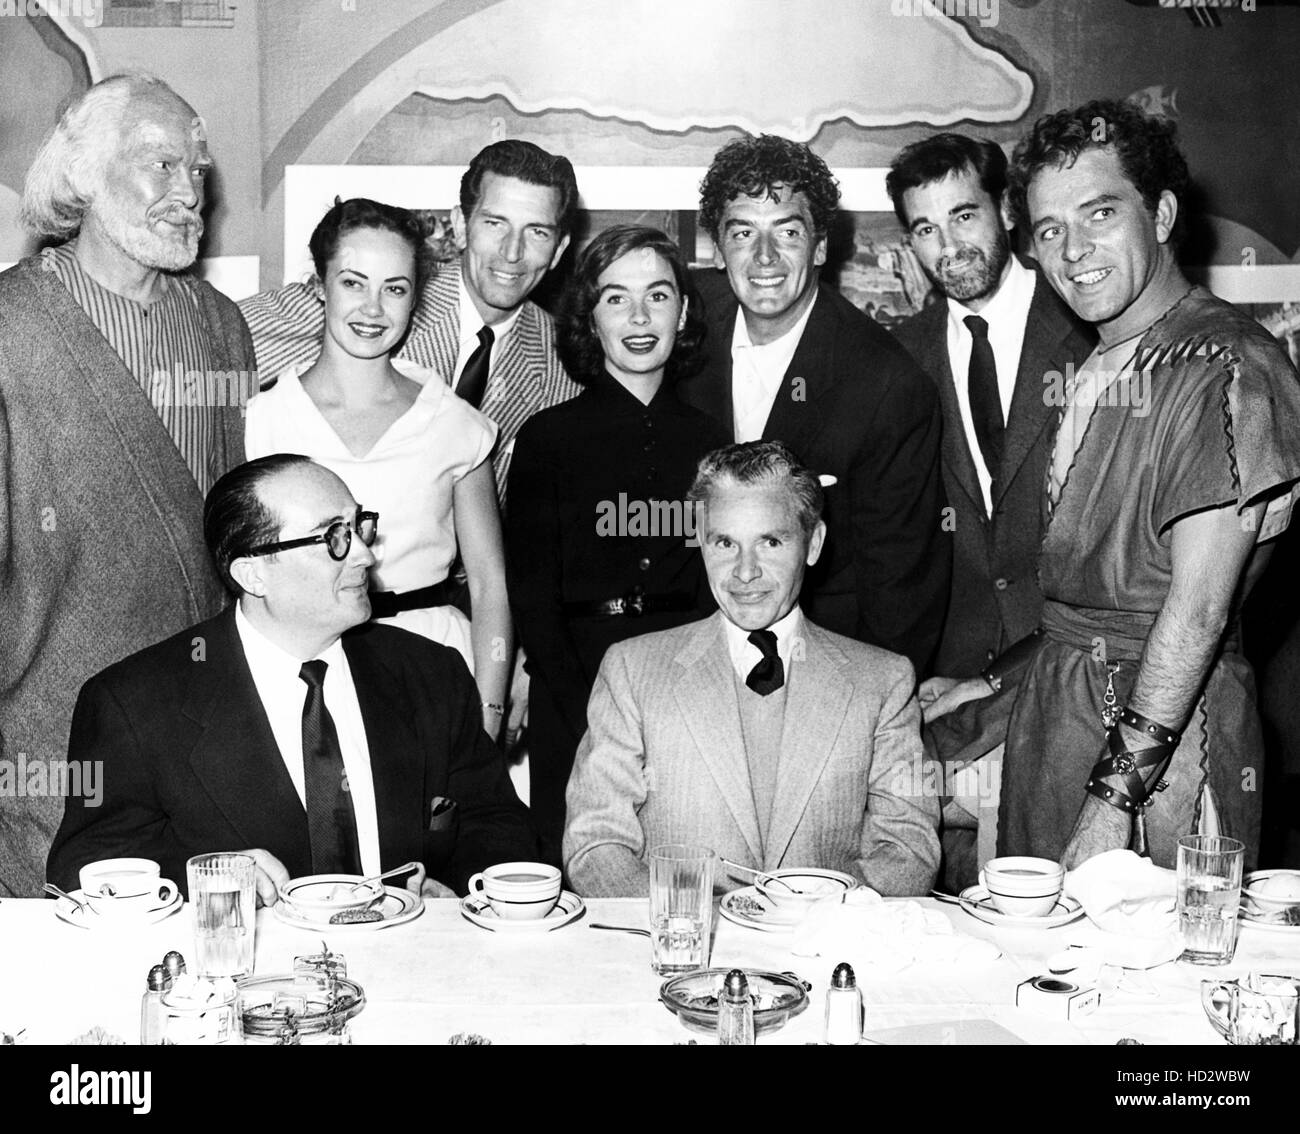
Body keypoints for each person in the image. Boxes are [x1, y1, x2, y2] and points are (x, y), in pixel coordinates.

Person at [929, 100, 1300, 870]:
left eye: (1100, 213)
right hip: (1058, 728)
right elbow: (1088, 602)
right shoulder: (1099, 362)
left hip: (1162, 760)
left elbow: (1194, 615)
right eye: (1050, 230)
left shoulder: (1226, 367)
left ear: (1162, 213)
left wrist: (1109, 807)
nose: (1074, 250)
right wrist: (988, 681)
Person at [47, 455, 538, 902]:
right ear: (252, 573)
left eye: (360, 527)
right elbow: (84, 871)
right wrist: (210, 877)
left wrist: (457, 891)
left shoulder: (430, 672)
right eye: (334, 538)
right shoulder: (135, 703)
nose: (366, 556)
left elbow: (497, 826)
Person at [0, 73, 256, 898]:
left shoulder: (220, 326)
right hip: (48, 743)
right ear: (81, 175)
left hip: (203, 735)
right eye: (161, 166)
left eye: (198, 171)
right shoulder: (11, 329)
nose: (189, 194)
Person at [563, 441, 940, 898]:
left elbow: (908, 851)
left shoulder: (882, 682)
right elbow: (595, 845)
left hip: (822, 957)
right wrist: (690, 922)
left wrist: (807, 921)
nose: (745, 572)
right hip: (682, 955)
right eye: (725, 542)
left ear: (814, 543)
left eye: (771, 541)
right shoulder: (632, 671)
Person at [678, 135, 949, 678]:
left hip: (820, 669)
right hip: (687, 656)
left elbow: (900, 592)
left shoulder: (886, 385)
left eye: (788, 232)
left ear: (821, 247)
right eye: (743, 233)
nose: (764, 258)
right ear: (718, 246)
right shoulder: (682, 326)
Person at [245, 198, 511, 737]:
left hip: (433, 663)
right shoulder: (262, 420)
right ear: (319, 285)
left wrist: (487, 714)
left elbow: (489, 586)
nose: (373, 308)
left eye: (395, 288)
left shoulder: (454, 423)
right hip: (303, 664)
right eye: (352, 283)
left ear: (415, 299)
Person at [506, 225, 729, 863]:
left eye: (658, 296)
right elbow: (533, 595)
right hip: (573, 680)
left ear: (683, 312)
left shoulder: (712, 441)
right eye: (616, 299)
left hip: (686, 686)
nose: (639, 316)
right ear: (590, 317)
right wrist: (587, 711)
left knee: (686, 864)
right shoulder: (547, 439)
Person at [239, 140, 582, 499]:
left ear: (559, 249)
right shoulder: (380, 299)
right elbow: (223, 339)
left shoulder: (562, 365)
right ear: (462, 226)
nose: (512, 252)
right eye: (495, 223)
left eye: (537, 232)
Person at [887, 134, 1095, 680]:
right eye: (926, 229)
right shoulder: (902, 358)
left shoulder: (1088, 323)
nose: (948, 246)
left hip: (1080, 660)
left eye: (963, 216)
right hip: (953, 667)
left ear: (1005, 210)